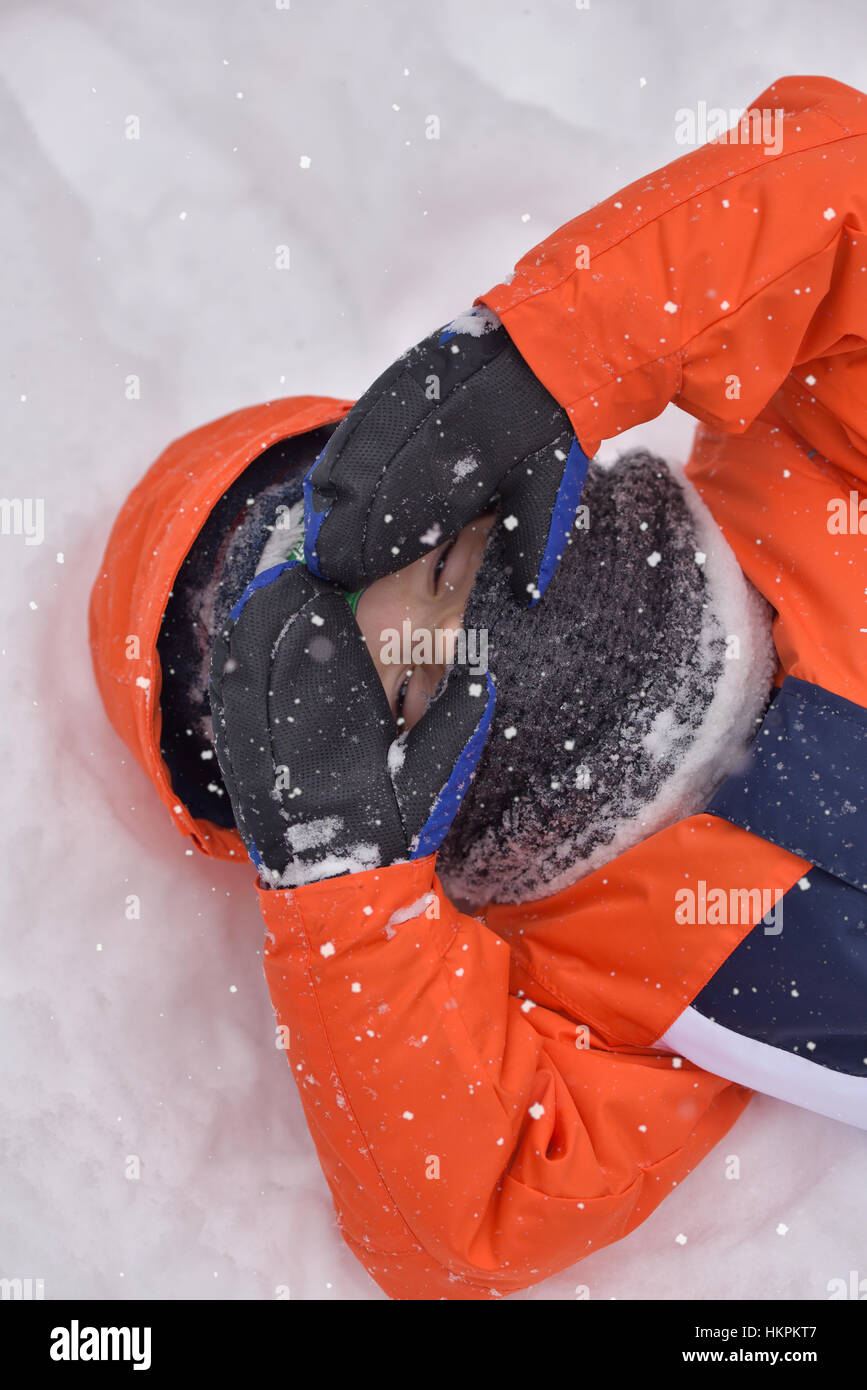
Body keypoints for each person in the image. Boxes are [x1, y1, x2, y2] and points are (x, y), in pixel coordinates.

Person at [90, 74, 867, 1300]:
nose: (396, 631)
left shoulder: (817, 452)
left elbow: (845, 184)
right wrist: (343, 887)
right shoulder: (593, 989)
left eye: (380, 546)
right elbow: (457, 1225)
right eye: (311, 700)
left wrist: (547, 352)